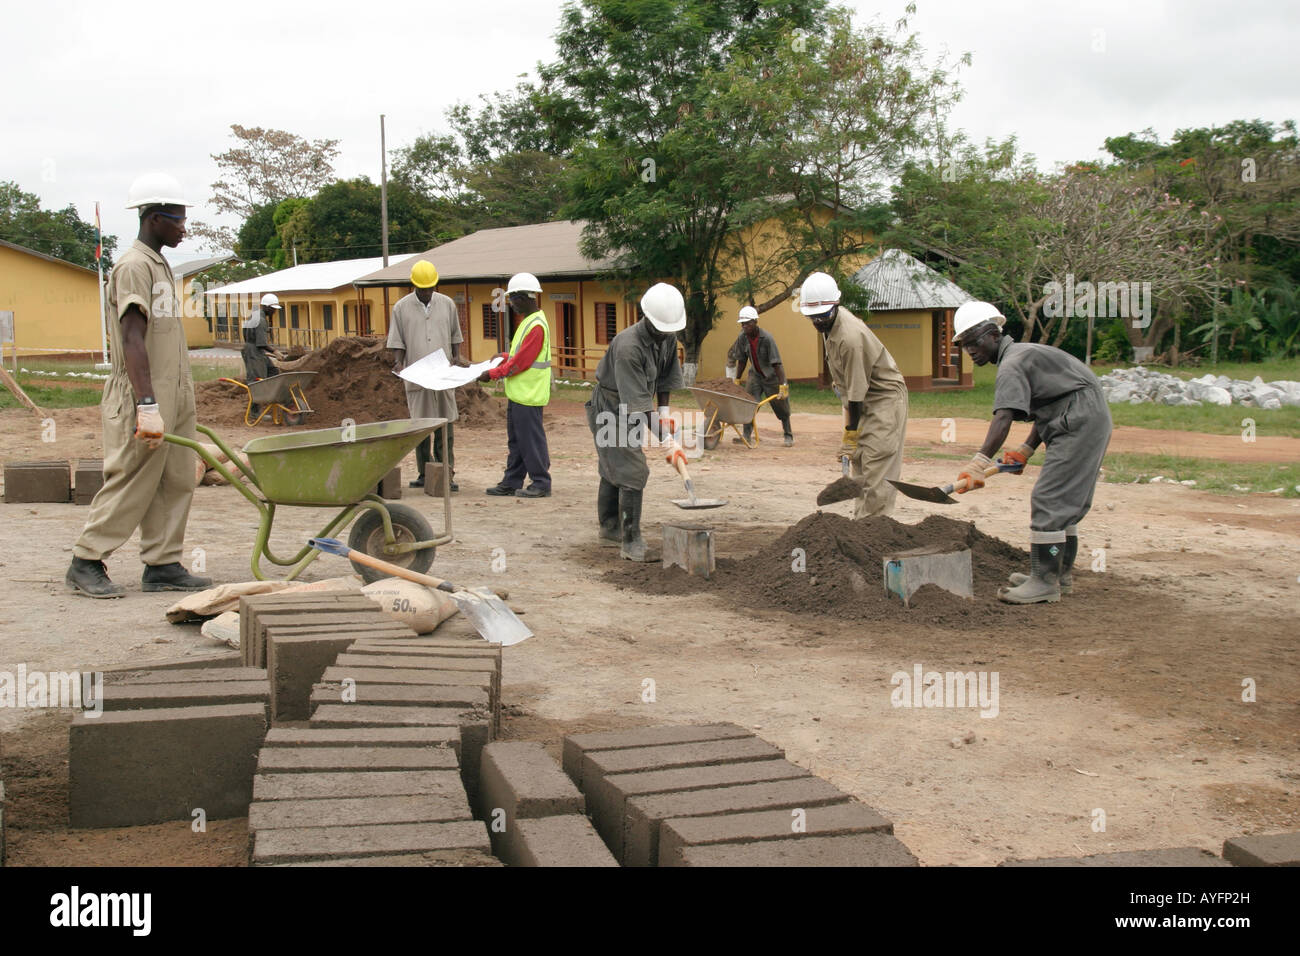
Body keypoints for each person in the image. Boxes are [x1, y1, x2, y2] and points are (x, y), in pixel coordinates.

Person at [65, 173, 213, 598]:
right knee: (132, 477)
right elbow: (132, 337)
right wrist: (147, 402)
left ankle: (163, 563)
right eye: (177, 220)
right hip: (142, 393)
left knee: (177, 477)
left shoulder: (160, 262)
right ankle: (86, 560)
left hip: (175, 391)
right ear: (153, 219)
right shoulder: (132, 266)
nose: (184, 228)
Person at [952, 301, 1113, 605]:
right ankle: (1058, 575)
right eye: (965, 344)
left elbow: (1004, 417)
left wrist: (978, 463)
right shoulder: (1022, 355)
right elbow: (1046, 404)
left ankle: (1044, 582)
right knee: (1062, 499)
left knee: (1049, 499)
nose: (971, 350)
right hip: (1081, 417)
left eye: (975, 341)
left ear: (994, 335)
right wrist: (1026, 450)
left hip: (1080, 421)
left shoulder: (1013, 363)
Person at [586, 283, 685, 561]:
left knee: (614, 467)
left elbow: (665, 376)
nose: (667, 333)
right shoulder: (628, 347)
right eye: (663, 328)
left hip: (632, 406)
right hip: (610, 407)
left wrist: (664, 412)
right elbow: (638, 406)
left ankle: (609, 528)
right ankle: (630, 542)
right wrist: (667, 440)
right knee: (632, 470)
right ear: (648, 318)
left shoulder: (666, 336)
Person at [800, 271, 908, 517]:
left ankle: (873, 529)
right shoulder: (829, 328)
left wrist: (851, 434)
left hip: (884, 400)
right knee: (861, 462)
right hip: (861, 400)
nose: (818, 322)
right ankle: (862, 525)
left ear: (836, 305)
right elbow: (848, 391)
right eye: (812, 318)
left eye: (823, 316)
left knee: (877, 465)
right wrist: (852, 439)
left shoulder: (850, 338)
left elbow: (857, 395)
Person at [388, 260, 464, 490]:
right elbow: (397, 341)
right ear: (414, 286)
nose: (426, 292)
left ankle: (445, 473)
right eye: (422, 289)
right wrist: (399, 364)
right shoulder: (401, 308)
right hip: (417, 375)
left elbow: (455, 337)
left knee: (445, 424)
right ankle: (424, 473)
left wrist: (457, 359)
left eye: (430, 288)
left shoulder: (447, 304)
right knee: (421, 428)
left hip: (442, 374)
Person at [482, 273, 552, 498]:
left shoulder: (536, 326)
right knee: (517, 441)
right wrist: (503, 356)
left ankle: (541, 482)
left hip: (529, 394)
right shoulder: (528, 322)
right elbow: (518, 355)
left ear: (524, 298)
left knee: (530, 440)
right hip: (520, 393)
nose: (511, 304)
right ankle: (511, 481)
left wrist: (492, 374)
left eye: (512, 299)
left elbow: (521, 363)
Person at [730, 304, 793, 446]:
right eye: (742, 324)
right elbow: (742, 360)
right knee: (750, 403)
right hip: (755, 375)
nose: (745, 326)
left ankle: (788, 435)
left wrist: (783, 385)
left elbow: (777, 364)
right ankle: (746, 435)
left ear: (755, 322)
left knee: (781, 406)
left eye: (748, 323)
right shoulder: (742, 338)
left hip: (772, 376)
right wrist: (737, 379)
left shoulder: (767, 338)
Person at [240, 293, 284, 382]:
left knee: (273, 371)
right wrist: (275, 352)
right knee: (257, 378)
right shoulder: (261, 320)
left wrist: (261, 351)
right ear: (267, 307)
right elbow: (261, 343)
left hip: (254, 349)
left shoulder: (255, 315)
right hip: (254, 351)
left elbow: (245, 333)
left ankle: (271, 393)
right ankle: (257, 395)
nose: (274, 311)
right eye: (273, 309)